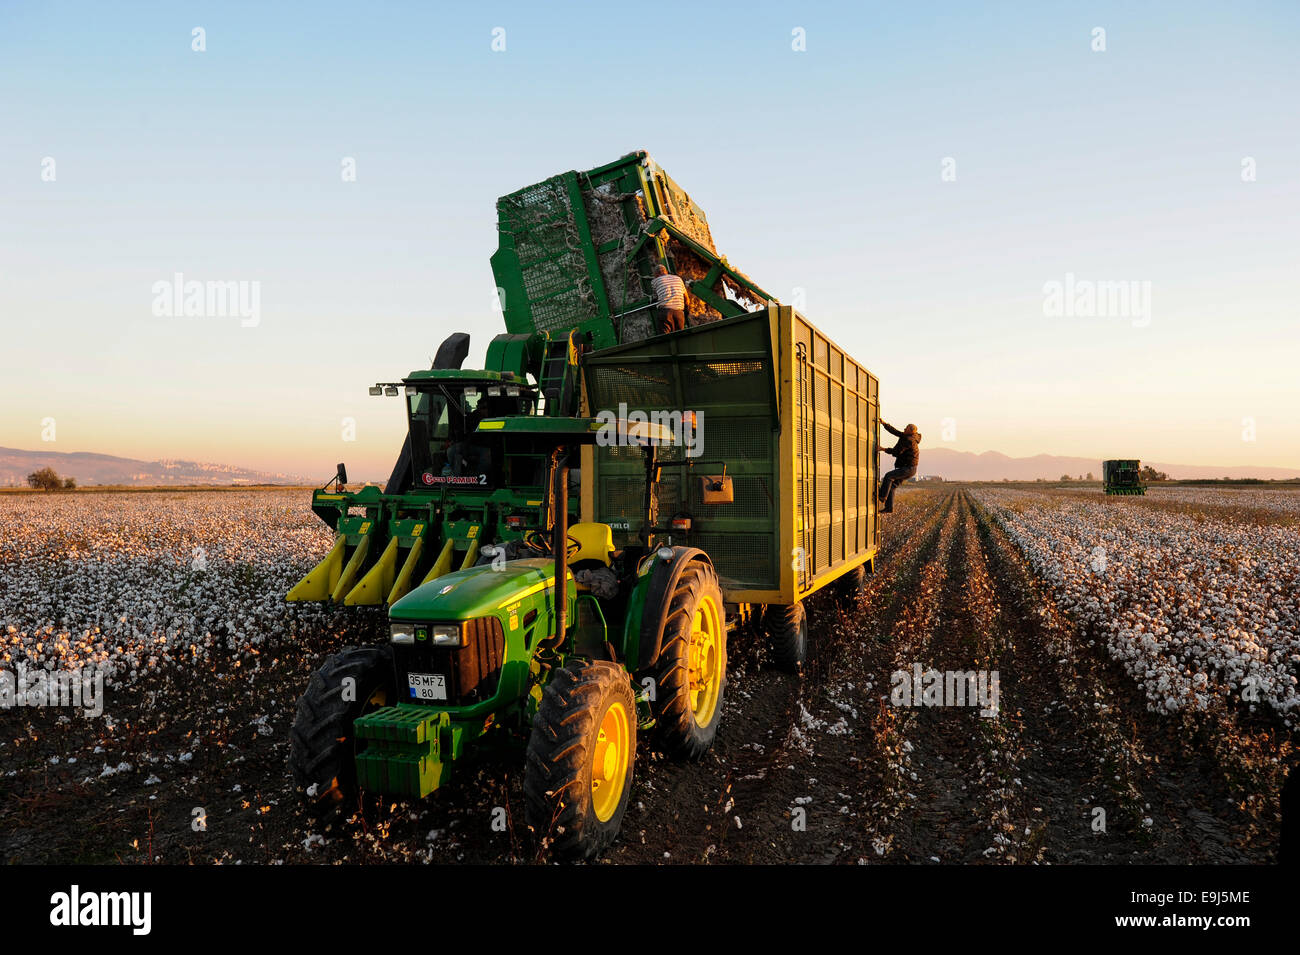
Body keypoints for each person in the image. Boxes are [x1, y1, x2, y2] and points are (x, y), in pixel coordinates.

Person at [878, 421, 921, 513]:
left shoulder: (909, 440)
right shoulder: (908, 436)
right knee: (892, 486)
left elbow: (896, 452)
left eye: (906, 428)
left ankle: (882, 496)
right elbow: (895, 432)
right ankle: (889, 508)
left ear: (911, 431)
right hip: (910, 468)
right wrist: (884, 424)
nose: (904, 429)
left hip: (908, 468)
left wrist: (883, 449)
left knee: (889, 476)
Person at [651, 264, 687, 334]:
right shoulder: (678, 278)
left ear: (656, 274)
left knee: (665, 338)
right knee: (681, 337)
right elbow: (686, 298)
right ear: (666, 271)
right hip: (679, 313)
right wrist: (686, 311)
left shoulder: (654, 281)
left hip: (665, 312)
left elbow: (655, 297)